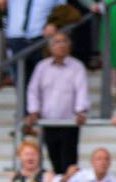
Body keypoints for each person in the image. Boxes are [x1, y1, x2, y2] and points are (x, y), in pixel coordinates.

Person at [24, 31, 89, 174]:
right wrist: (33, 110)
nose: (60, 45)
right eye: (56, 42)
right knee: (54, 160)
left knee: (69, 163)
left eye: (64, 41)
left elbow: (81, 90)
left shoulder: (77, 66)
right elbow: (33, 90)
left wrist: (80, 110)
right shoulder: (42, 67)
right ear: (50, 47)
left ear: (69, 45)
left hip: (69, 123)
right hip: (48, 122)